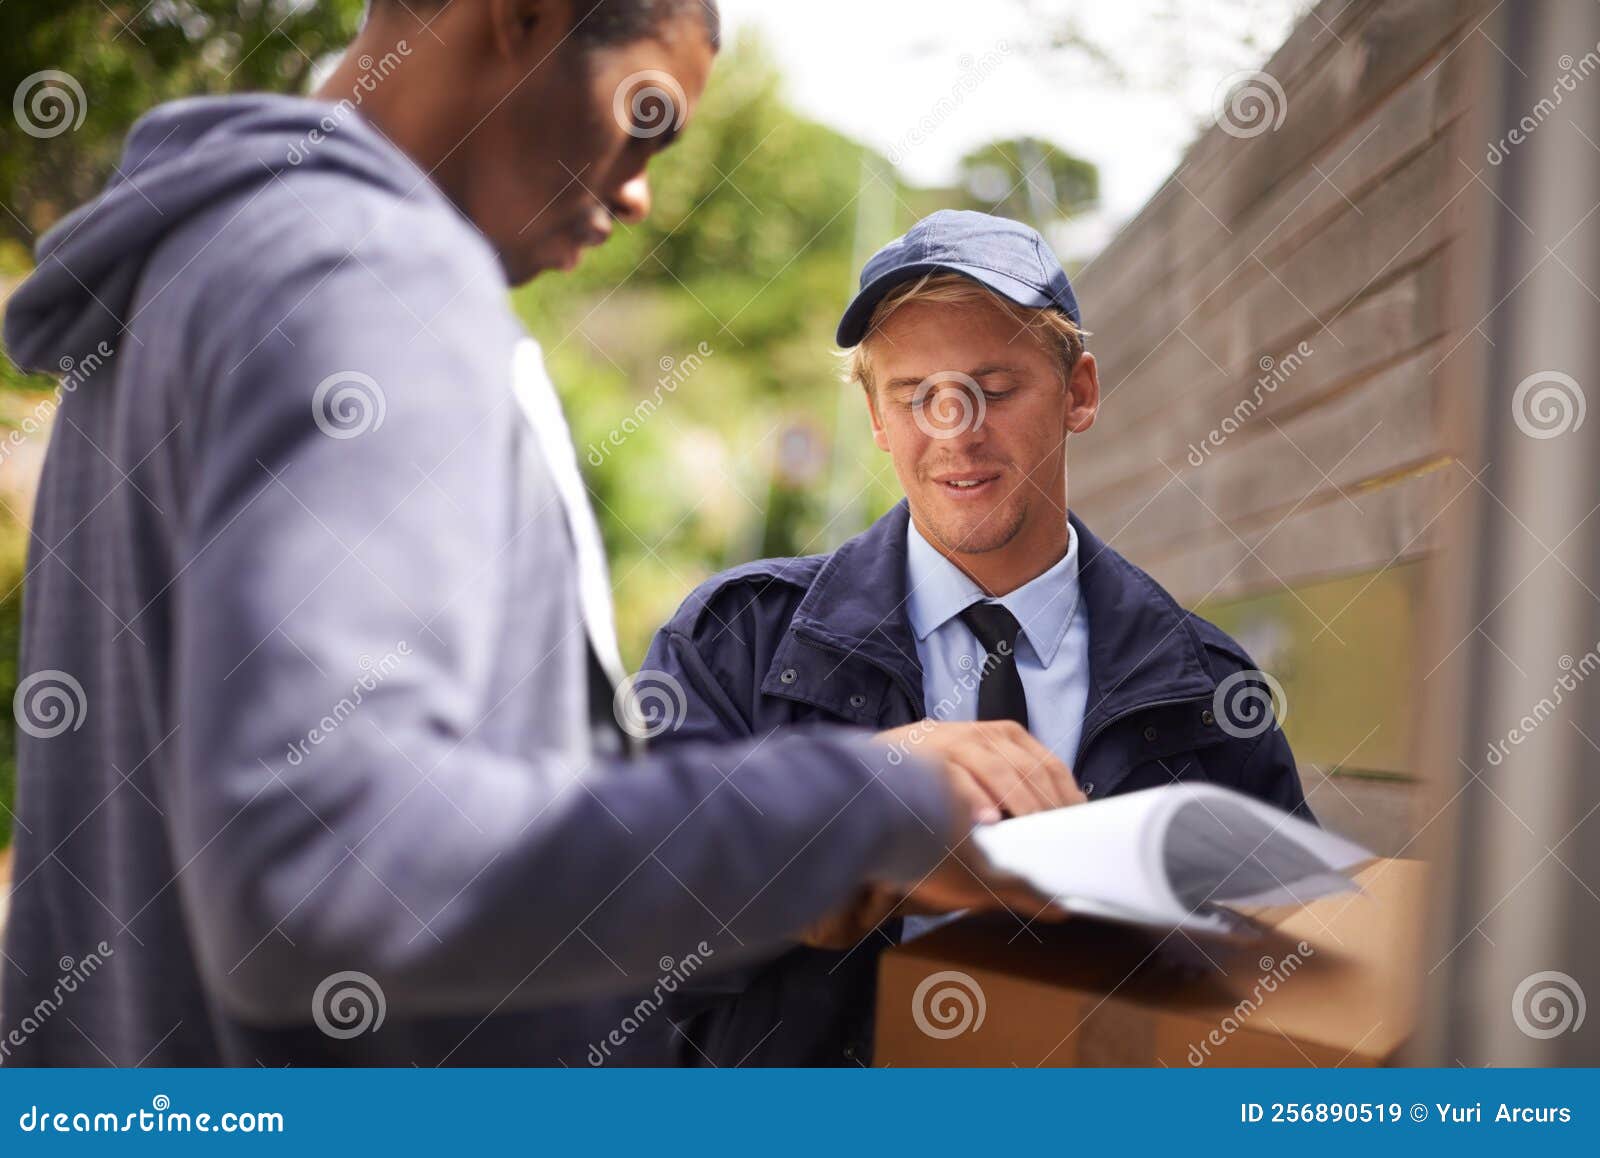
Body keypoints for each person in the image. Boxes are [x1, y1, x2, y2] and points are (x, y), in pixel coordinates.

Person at [0, 2, 1064, 1066]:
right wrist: (849, 809)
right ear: (518, 16)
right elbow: (322, 870)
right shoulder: (369, 276)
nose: (640, 193)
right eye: (645, 119)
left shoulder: (195, 264)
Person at [642, 209, 1313, 1066]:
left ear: (1080, 393)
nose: (956, 429)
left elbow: (1288, 999)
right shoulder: (733, 640)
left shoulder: (1210, 693)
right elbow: (612, 920)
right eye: (914, 395)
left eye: (995, 389)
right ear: (877, 420)